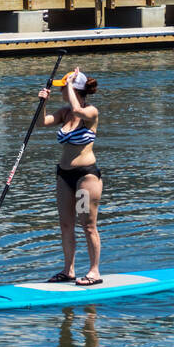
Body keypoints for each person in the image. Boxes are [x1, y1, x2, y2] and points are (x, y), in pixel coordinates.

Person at [38, 68, 104, 285]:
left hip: (85, 178)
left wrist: (69, 84)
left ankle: (94, 272)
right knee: (66, 224)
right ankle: (69, 271)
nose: (62, 93)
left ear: (75, 90)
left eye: (65, 89)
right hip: (64, 176)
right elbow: (42, 122)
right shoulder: (65, 112)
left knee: (87, 225)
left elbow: (78, 110)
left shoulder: (91, 112)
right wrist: (42, 102)